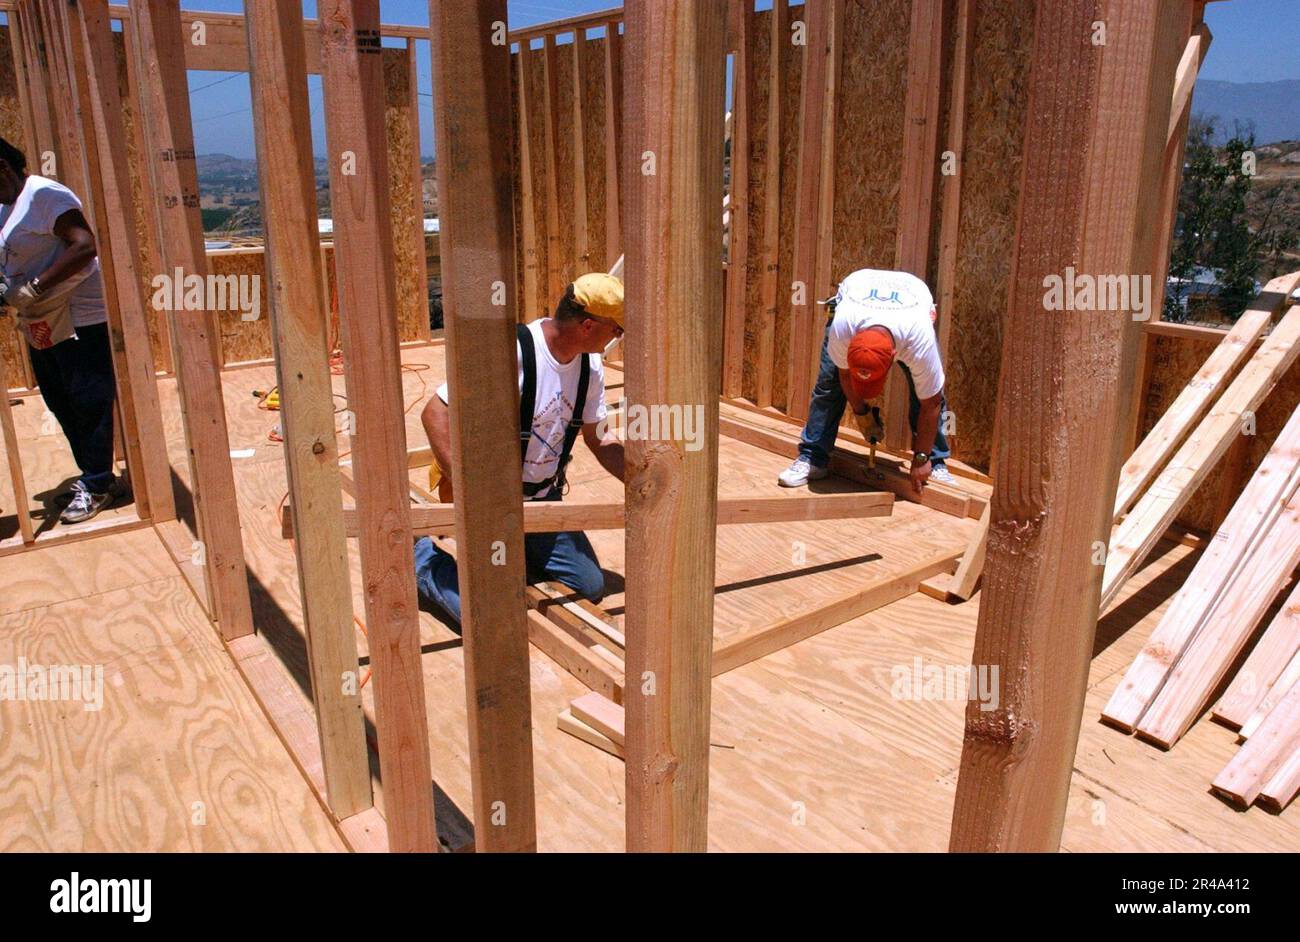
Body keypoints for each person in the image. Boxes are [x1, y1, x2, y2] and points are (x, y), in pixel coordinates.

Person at [414, 272, 626, 625]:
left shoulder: (590, 366)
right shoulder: (513, 351)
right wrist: (473, 494)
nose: (617, 337)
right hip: (490, 499)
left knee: (588, 586)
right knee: (487, 616)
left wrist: (640, 481)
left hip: (541, 498)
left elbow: (599, 438)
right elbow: (434, 414)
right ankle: (419, 555)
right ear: (588, 325)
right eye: (616, 329)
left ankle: (517, 552)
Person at [0, 137, 123, 524]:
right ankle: (91, 475)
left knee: (88, 398)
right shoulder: (6, 206)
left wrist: (34, 286)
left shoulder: (44, 195)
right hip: (44, 317)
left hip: (78, 315)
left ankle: (99, 484)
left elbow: (84, 246)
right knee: (59, 399)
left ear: (2, 168)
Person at [778, 267, 955, 493]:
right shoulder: (843, 330)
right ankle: (813, 456)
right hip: (858, 294)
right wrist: (862, 414)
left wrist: (921, 457)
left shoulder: (918, 340)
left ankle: (935, 461)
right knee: (828, 385)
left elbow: (932, 402)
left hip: (911, 300)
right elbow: (843, 375)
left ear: (893, 357)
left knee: (926, 392)